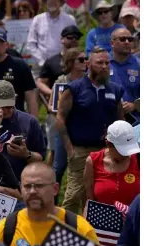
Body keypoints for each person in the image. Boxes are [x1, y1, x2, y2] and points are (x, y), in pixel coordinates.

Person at [57, 48, 125, 214]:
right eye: (99, 63)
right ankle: (68, 232)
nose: (104, 66)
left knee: (101, 194)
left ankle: (96, 233)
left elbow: (120, 120)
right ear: (88, 64)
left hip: (107, 151)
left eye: (107, 63)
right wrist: (70, 149)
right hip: (81, 151)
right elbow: (60, 119)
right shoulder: (74, 89)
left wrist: (121, 148)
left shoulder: (115, 90)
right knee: (74, 196)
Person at [85, 120, 139, 246]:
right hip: (104, 237)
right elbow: (90, 200)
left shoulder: (138, 159)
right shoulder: (93, 161)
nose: (127, 155)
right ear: (109, 144)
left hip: (134, 235)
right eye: (122, 150)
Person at [0, 81, 46, 182]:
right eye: (1, 106)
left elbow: (41, 158)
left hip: (20, 181)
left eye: (9, 106)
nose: (6, 110)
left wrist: (26, 154)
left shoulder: (29, 122)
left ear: (15, 100)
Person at [49, 48, 88, 186]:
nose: (85, 62)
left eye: (86, 59)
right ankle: (52, 201)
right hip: (63, 128)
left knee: (84, 169)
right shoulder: (61, 81)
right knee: (58, 167)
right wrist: (60, 111)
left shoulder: (88, 81)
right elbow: (51, 106)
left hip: (82, 129)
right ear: (71, 62)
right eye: (81, 59)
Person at [26, 0, 77, 69]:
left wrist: (66, 60)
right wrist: (42, 62)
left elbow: (75, 43)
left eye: (55, 0)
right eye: (49, 0)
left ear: (60, 2)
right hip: (41, 65)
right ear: (45, 3)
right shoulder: (37, 19)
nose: (52, 2)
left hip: (63, 64)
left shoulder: (70, 20)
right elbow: (31, 44)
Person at [109, 28, 140, 116]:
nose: (127, 42)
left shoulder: (139, 65)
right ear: (112, 43)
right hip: (110, 121)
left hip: (137, 122)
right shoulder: (102, 63)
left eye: (130, 39)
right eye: (122, 39)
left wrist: (134, 106)